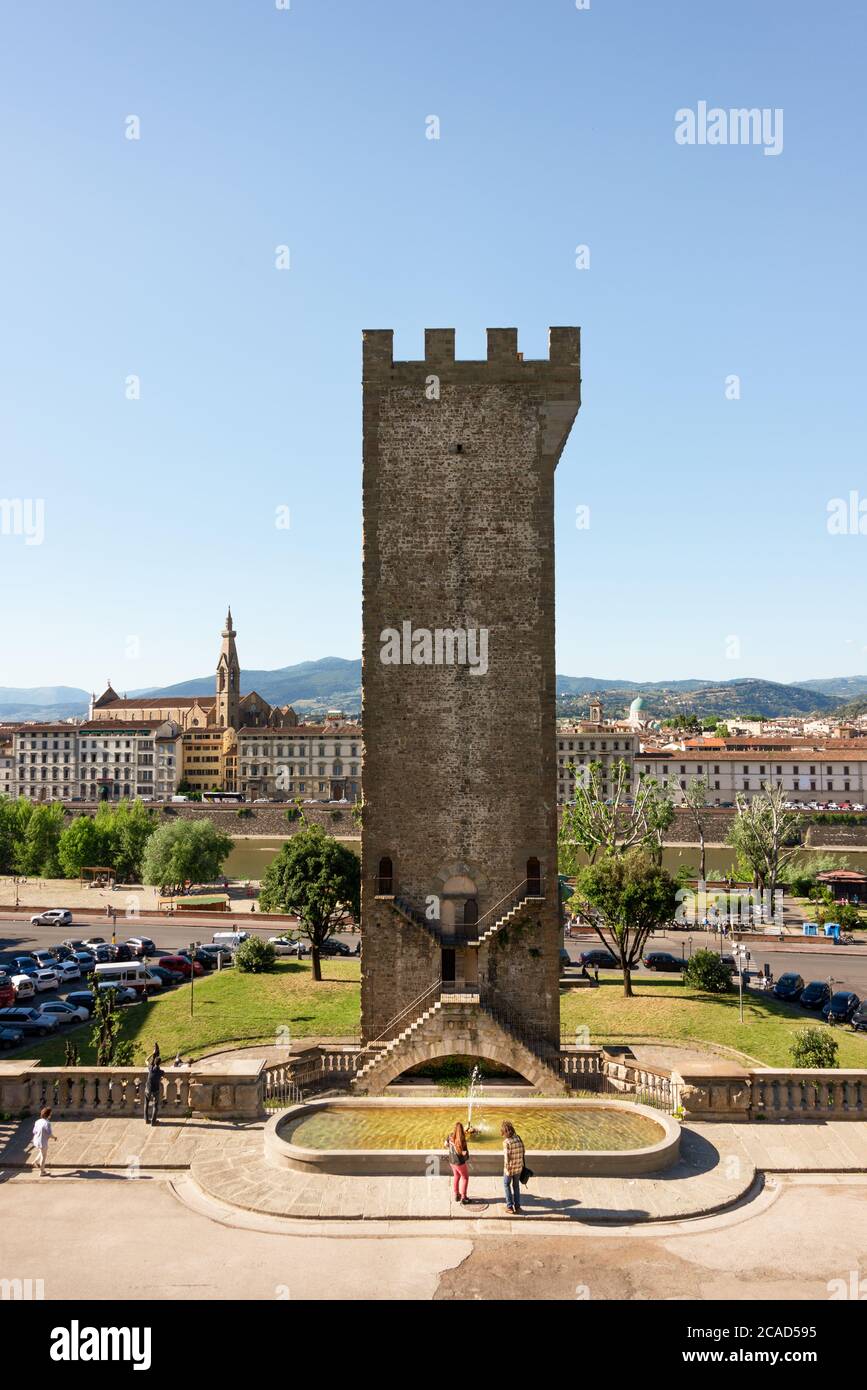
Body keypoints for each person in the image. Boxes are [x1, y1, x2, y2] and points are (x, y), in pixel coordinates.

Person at [501, 1120, 525, 1214]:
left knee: (506, 1185)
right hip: (519, 1168)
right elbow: (523, 1151)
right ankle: (518, 1207)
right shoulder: (518, 1138)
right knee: (516, 1186)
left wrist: (507, 1170)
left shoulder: (506, 1142)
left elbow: (507, 1158)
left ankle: (510, 1207)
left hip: (510, 1169)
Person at [445, 1120, 470, 1205]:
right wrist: (465, 1156)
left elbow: (445, 1144)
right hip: (459, 1163)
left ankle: (456, 1194)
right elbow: (464, 1153)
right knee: (465, 1178)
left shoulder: (450, 1136)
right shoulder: (462, 1140)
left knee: (456, 1176)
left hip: (451, 1161)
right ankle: (464, 1197)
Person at [31, 1106, 54, 1177]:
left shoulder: (37, 1121)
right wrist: (54, 1137)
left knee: (41, 1152)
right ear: (49, 1114)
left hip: (36, 1140)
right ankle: (42, 1172)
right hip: (42, 1142)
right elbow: (49, 1134)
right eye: (51, 1113)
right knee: (43, 1157)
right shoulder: (47, 1123)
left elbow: (34, 1131)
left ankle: (35, 1162)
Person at [144, 1054, 163, 1125]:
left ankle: (146, 1120)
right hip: (155, 1090)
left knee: (146, 1104)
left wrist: (152, 1053)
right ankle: (153, 1121)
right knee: (155, 1105)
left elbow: (146, 1060)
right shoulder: (161, 1072)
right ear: (160, 1063)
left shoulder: (150, 1068)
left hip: (148, 1089)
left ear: (154, 1062)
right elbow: (162, 1076)